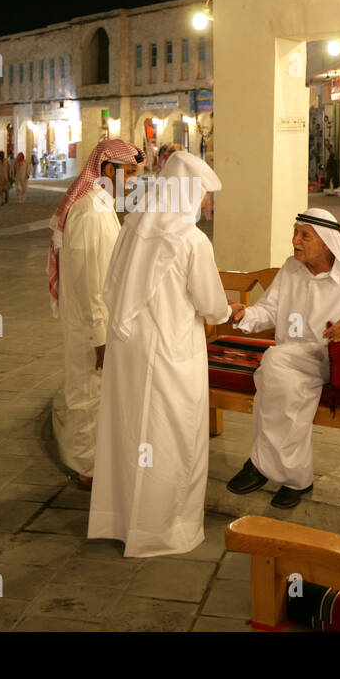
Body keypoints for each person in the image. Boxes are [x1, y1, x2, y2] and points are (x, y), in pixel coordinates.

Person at [88, 151, 229, 557]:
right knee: (169, 436)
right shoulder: (190, 240)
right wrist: (227, 311)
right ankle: (162, 529)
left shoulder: (134, 226)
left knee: (129, 429)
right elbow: (212, 304)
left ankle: (119, 519)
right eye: (201, 194)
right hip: (172, 352)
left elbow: (111, 284)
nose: (203, 203)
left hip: (127, 349)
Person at [225, 208, 340, 509]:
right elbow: (268, 311)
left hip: (328, 360)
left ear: (326, 242)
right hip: (290, 358)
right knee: (282, 387)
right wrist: (244, 314)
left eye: (304, 235)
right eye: (295, 232)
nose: (295, 240)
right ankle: (295, 478)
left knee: (273, 367)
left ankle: (260, 465)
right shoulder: (291, 269)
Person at [48, 138, 143, 487]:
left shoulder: (102, 207)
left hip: (98, 324)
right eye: (129, 172)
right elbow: (91, 284)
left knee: (97, 394)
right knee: (88, 395)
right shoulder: (90, 212)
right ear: (107, 170)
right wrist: (100, 336)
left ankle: (93, 462)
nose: (133, 180)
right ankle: (86, 469)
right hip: (91, 327)